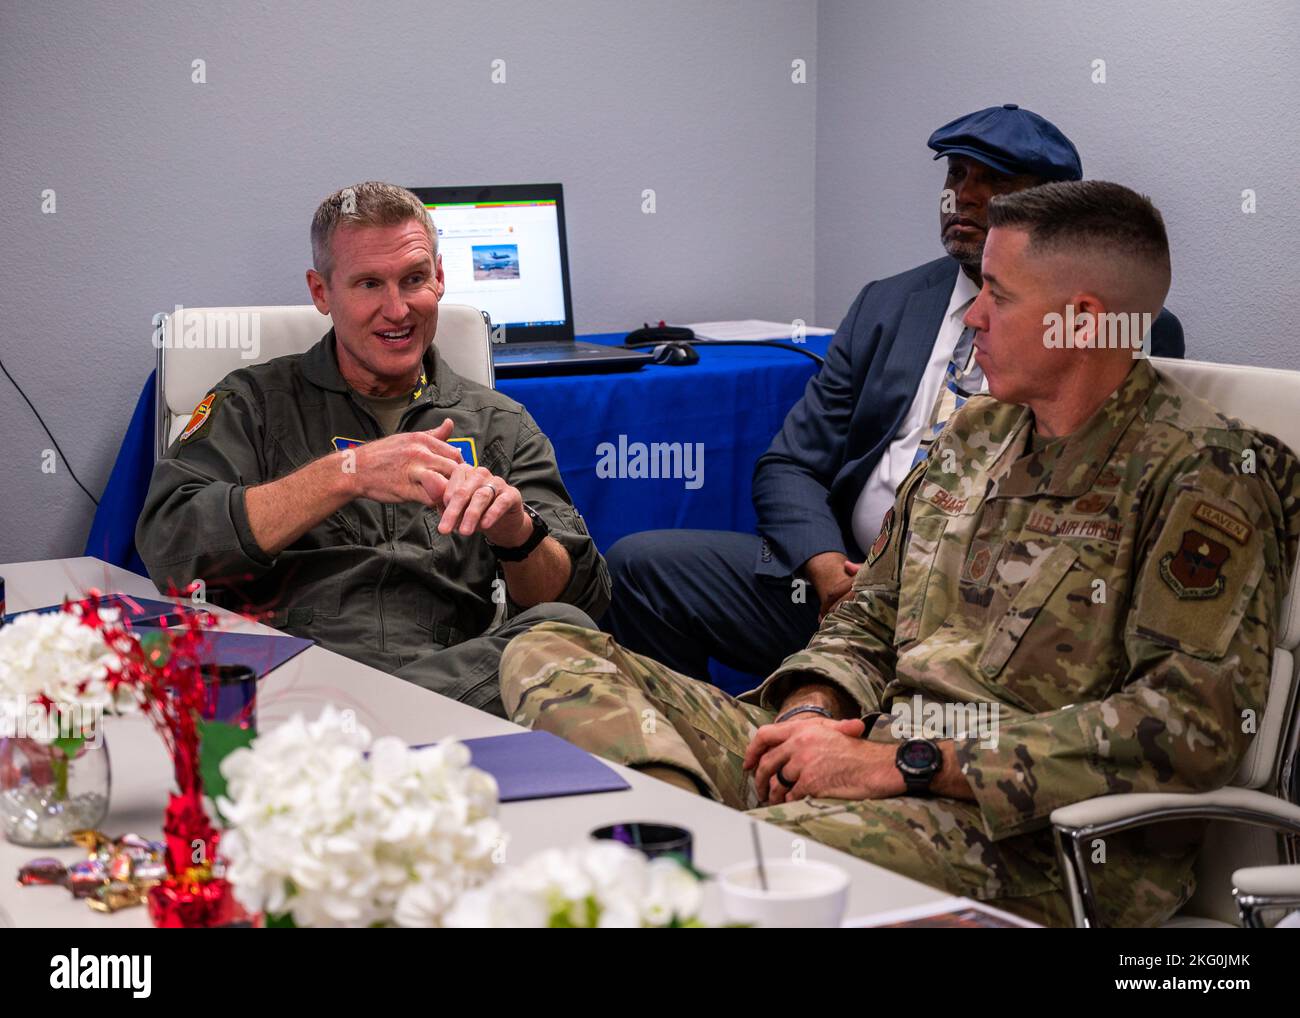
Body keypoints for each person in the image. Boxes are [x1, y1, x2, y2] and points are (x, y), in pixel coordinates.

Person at [499, 180, 1299, 926]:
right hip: (874, 752)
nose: (973, 316)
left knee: (777, 858)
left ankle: (698, 855)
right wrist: (813, 713)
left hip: (1036, 833)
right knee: (547, 646)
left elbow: (1189, 726)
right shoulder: (975, 432)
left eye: (998, 295)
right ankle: (691, 838)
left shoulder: (1208, 474)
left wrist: (906, 763)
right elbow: (870, 612)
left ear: (1082, 320)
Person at [605, 105, 1185, 684]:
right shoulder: (889, 303)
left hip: (983, 601)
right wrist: (829, 569)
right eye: (955, 175)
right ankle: (687, 753)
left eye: (996, 183)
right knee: (641, 566)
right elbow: (789, 465)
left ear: (1052, 210)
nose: (964, 196)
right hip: (845, 583)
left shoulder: (1108, 324)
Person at [136, 182, 609, 716]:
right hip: (293, 673)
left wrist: (517, 534)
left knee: (568, 632)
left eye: (414, 280)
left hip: (454, 681)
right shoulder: (253, 403)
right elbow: (172, 547)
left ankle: (372, 715)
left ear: (440, 279)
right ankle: (369, 716)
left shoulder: (501, 424)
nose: (397, 309)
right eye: (368, 284)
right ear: (321, 292)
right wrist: (345, 474)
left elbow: (576, 598)